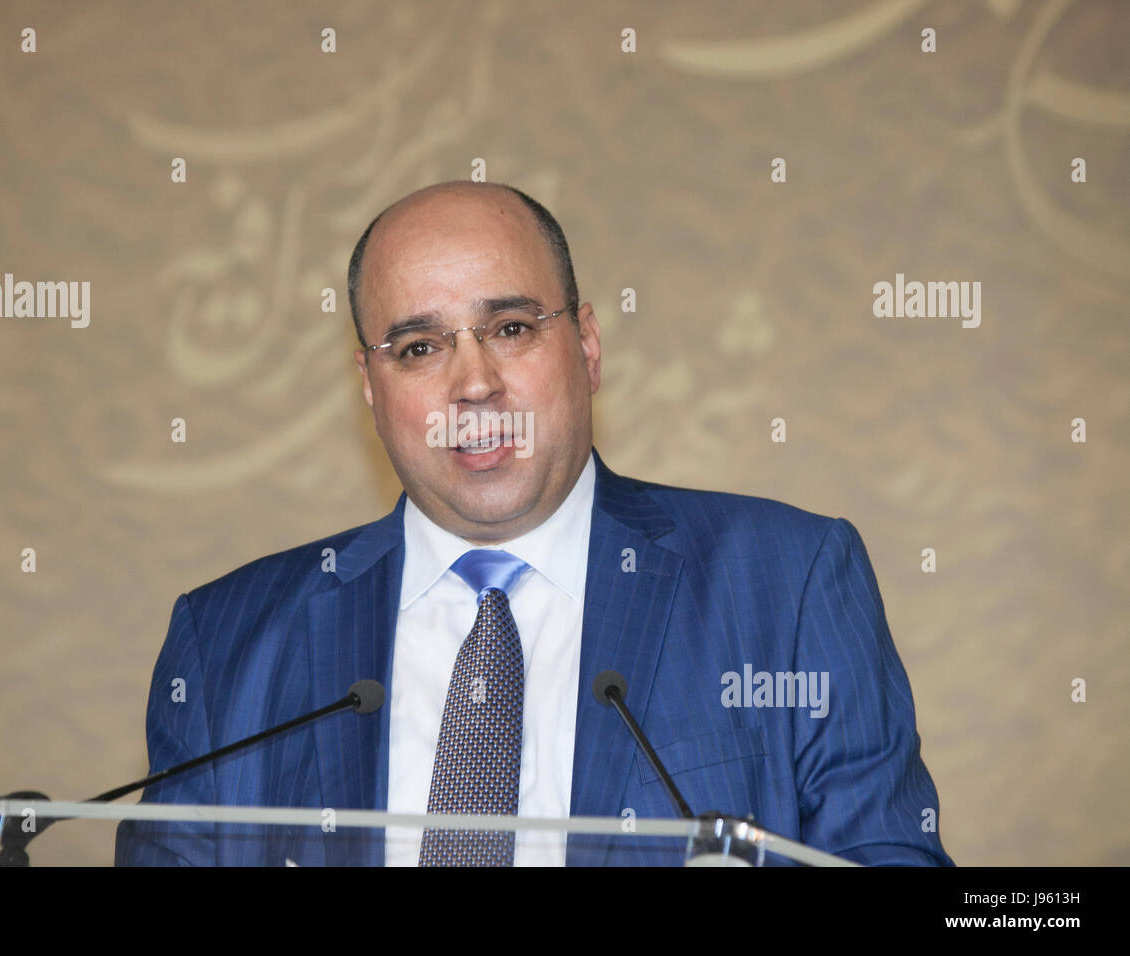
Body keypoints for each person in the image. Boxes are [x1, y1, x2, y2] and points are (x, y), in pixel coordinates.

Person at [115, 180, 953, 867]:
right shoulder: (225, 644)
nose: (473, 383)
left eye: (510, 328)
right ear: (370, 388)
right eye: (417, 347)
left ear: (586, 346)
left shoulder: (787, 582)